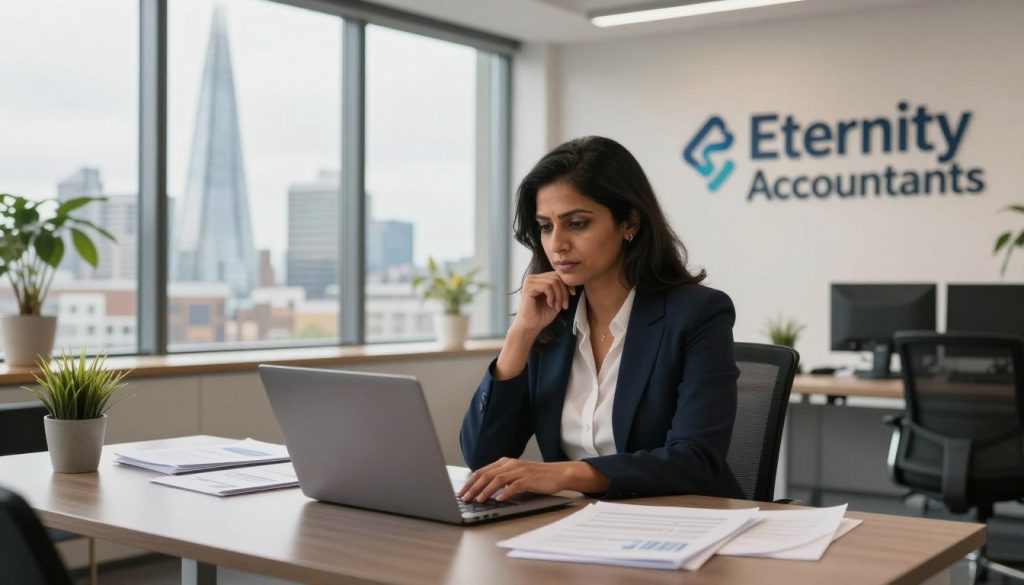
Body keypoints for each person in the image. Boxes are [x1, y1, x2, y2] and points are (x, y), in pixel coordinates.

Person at [458, 136, 743, 504]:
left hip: (682, 526)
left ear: (629, 222)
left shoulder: (697, 314)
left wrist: (566, 473)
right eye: (546, 226)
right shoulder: (551, 321)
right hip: (576, 528)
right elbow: (482, 456)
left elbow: (696, 460)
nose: (557, 243)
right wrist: (521, 334)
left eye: (576, 223)